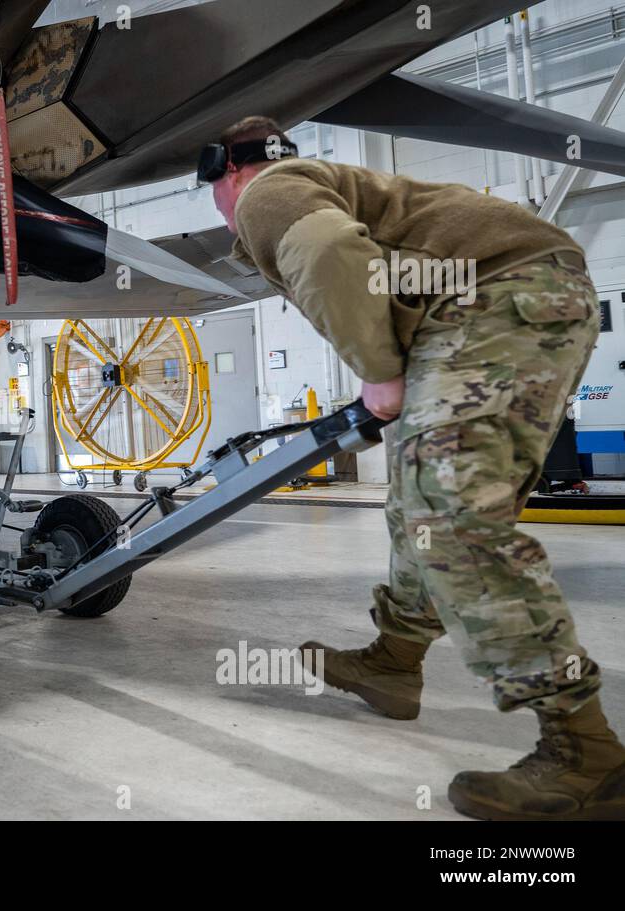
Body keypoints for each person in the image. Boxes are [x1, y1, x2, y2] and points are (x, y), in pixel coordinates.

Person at [205, 115, 623, 820]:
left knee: (452, 518)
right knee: (417, 504)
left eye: (215, 191)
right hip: (499, 299)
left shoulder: (265, 192)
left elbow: (328, 249)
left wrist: (377, 373)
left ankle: (586, 752)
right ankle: (395, 661)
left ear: (227, 173)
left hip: (496, 297)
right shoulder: (325, 183)